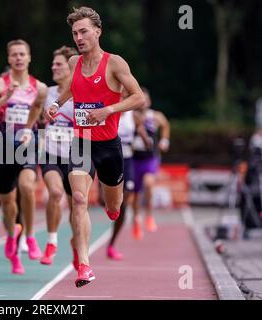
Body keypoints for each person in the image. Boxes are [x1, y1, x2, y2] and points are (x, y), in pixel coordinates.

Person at [46, 7, 145, 287]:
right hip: (82, 142)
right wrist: (57, 104)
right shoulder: (75, 62)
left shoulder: (115, 63)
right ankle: (85, 266)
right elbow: (73, 89)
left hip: (110, 147)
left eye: (84, 31)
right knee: (78, 199)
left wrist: (109, 110)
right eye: (75, 33)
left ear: (97, 32)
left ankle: (114, 207)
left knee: (113, 207)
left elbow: (138, 98)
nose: (79, 37)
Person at [0, 39, 47, 274]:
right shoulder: (0, 83)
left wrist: (33, 130)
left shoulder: (38, 87)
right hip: (3, 146)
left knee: (27, 187)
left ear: (29, 58)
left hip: (27, 144)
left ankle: (30, 237)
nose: (19, 58)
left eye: (23, 54)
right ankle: (12, 236)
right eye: (14, 55)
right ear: (9, 59)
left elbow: (42, 112)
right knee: (8, 201)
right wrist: (4, 97)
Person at [39, 46, 78, 265]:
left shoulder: (81, 93)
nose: (53, 67)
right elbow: (35, 119)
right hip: (50, 154)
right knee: (55, 192)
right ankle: (52, 242)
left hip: (76, 156)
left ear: (71, 67)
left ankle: (76, 244)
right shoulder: (47, 93)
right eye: (53, 64)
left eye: (59, 64)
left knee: (76, 206)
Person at [106, 89, 148, 259]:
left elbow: (146, 140)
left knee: (124, 203)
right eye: (119, 95)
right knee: (106, 202)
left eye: (124, 95)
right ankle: (110, 203)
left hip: (128, 161)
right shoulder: (107, 112)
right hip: (109, 160)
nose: (121, 97)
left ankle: (111, 244)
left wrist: (145, 139)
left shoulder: (134, 117)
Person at [131, 88, 170, 239]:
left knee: (148, 184)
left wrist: (164, 140)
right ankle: (136, 219)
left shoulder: (156, 116)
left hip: (150, 158)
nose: (143, 102)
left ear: (149, 101)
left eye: (145, 99)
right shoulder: (130, 116)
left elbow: (166, 125)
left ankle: (149, 215)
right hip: (134, 158)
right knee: (134, 194)